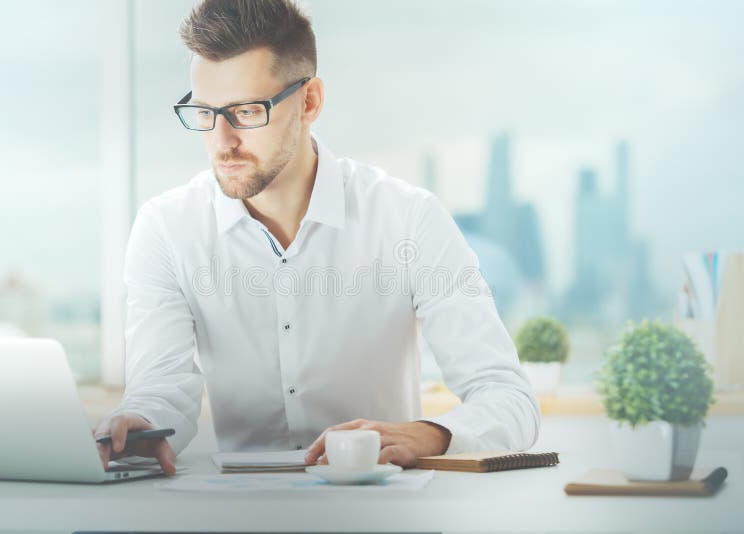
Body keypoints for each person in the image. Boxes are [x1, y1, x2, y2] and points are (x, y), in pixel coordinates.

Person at [94, 0, 541, 476]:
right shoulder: (166, 229)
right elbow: (162, 387)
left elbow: (508, 397)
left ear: (309, 102)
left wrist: (428, 434)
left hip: (377, 510)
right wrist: (140, 422)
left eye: (246, 112)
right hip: (231, 512)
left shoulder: (409, 219)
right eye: (205, 113)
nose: (222, 141)